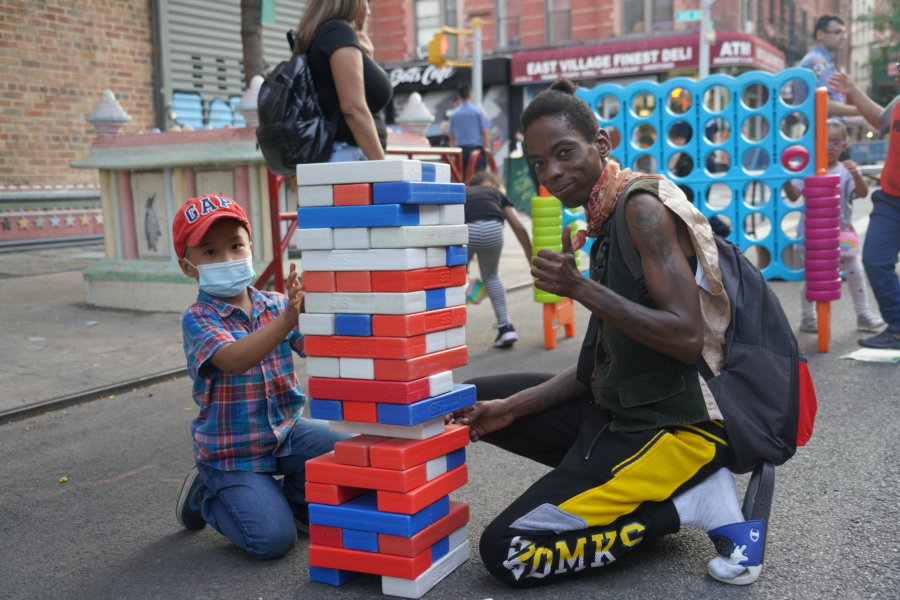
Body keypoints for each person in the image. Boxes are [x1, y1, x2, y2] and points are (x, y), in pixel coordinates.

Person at [453, 79, 762, 587]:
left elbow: (686, 338)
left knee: (508, 551)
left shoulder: (641, 209)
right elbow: (593, 369)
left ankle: (686, 504)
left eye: (565, 152)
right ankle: (641, 486)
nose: (551, 172)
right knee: (473, 399)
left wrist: (578, 287)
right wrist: (508, 409)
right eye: (537, 162)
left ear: (602, 145)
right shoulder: (602, 220)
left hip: (678, 426)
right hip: (623, 408)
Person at [172, 194, 349, 558]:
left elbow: (317, 348)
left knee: (350, 447)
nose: (228, 259)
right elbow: (235, 359)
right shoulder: (199, 318)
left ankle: (294, 503)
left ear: (251, 247)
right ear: (188, 267)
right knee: (272, 541)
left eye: (236, 246)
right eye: (210, 252)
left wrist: (322, 309)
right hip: (231, 453)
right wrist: (289, 320)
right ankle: (210, 492)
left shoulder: (277, 304)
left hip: (287, 433)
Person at [784, 119, 884, 334]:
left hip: (842, 233)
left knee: (855, 271)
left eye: (836, 143)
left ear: (845, 145)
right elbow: (793, 195)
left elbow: (863, 193)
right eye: (825, 143)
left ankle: (863, 314)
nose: (830, 148)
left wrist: (857, 173)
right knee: (813, 275)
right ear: (815, 143)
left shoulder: (846, 170)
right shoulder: (808, 170)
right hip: (813, 233)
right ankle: (808, 316)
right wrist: (786, 177)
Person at [828, 68, 900, 349]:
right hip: (891, 199)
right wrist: (854, 90)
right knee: (875, 259)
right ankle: (896, 327)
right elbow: (881, 121)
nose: (896, 72)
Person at [294, 0, 391, 162]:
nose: (369, 11)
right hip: (350, 154)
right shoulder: (337, 32)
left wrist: (366, 57)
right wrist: (382, 166)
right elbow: (352, 109)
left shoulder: (322, 34)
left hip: (343, 153)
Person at [464, 171, 533, 348]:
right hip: (492, 229)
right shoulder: (497, 194)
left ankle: (449, 327)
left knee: (455, 278)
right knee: (492, 276)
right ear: (493, 183)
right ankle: (506, 327)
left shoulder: (464, 192)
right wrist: (530, 258)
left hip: (465, 230)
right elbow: (518, 226)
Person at [798, 15, 858, 117]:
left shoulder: (823, 61)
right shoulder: (818, 62)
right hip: (821, 131)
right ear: (820, 34)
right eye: (838, 32)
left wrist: (862, 121)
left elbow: (835, 119)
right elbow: (825, 106)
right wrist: (865, 111)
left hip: (824, 129)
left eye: (845, 34)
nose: (844, 38)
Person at [448, 83, 492, 179]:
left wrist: (453, 155)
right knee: (479, 179)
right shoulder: (478, 111)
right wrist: (488, 151)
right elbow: (485, 133)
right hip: (477, 152)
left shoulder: (454, 114)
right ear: (470, 94)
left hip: (460, 152)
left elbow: (451, 137)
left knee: (462, 179)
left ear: (459, 96)